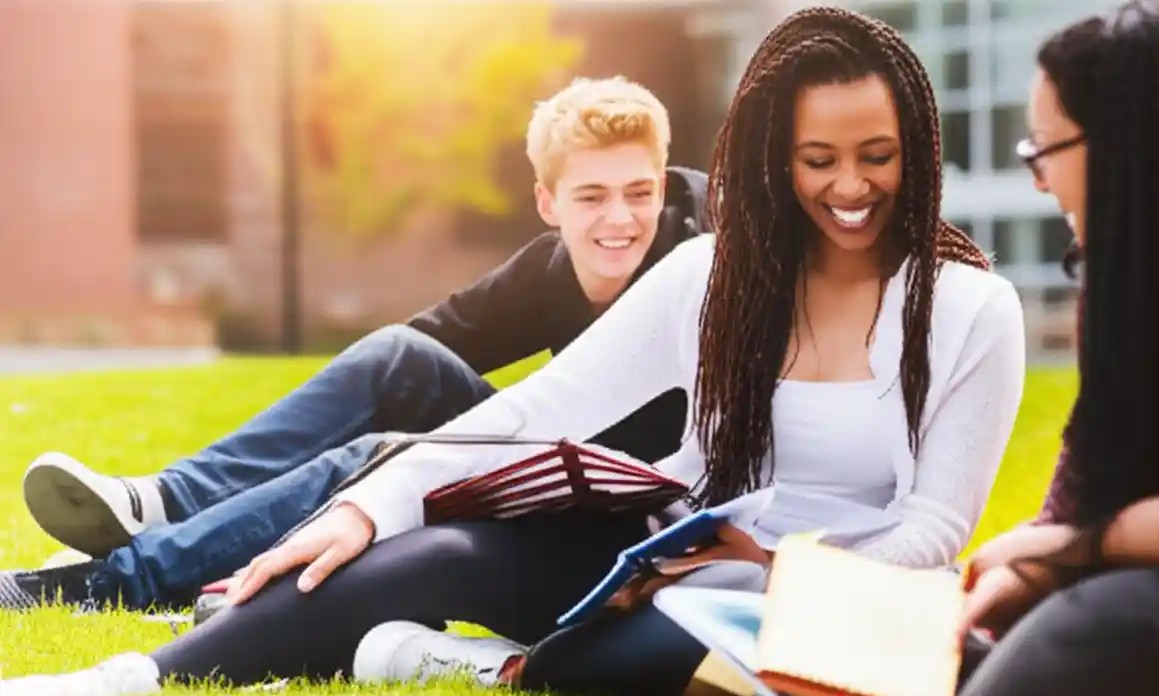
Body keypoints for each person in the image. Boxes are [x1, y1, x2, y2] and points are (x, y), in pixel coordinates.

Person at [0, 6, 1026, 696]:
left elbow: (934, 534)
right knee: (419, 555)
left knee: (677, 655)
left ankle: (475, 667)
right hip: (662, 563)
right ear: (772, 159)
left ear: (918, 152)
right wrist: (364, 508)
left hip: (826, 605)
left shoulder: (972, 311)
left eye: (876, 157)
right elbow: (538, 408)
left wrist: (766, 565)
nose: (848, 187)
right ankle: (128, 676)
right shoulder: (717, 276)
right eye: (818, 160)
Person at [0, 76, 706, 612]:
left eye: (640, 193)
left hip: (630, 506)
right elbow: (414, 356)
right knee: (398, 359)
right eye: (592, 198)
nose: (622, 219)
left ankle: (106, 582)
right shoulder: (545, 271)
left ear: (665, 185)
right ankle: (161, 502)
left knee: (378, 460)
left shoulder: (702, 251)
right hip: (544, 453)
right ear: (548, 204)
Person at [951, 2, 1159, 696]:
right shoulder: (1130, 280)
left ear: (1130, 145)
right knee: (968, 650)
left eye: (1043, 149)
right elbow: (1081, 489)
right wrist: (1024, 570)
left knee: (1118, 611)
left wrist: (1061, 551)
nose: (1037, 181)